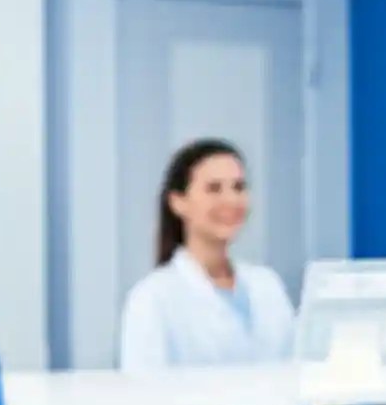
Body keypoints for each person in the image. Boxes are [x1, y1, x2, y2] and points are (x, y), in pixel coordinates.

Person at [119, 139, 295, 371]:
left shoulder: (266, 285)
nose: (231, 200)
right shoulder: (152, 298)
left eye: (239, 187)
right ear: (178, 202)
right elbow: (144, 395)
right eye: (214, 189)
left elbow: (296, 371)